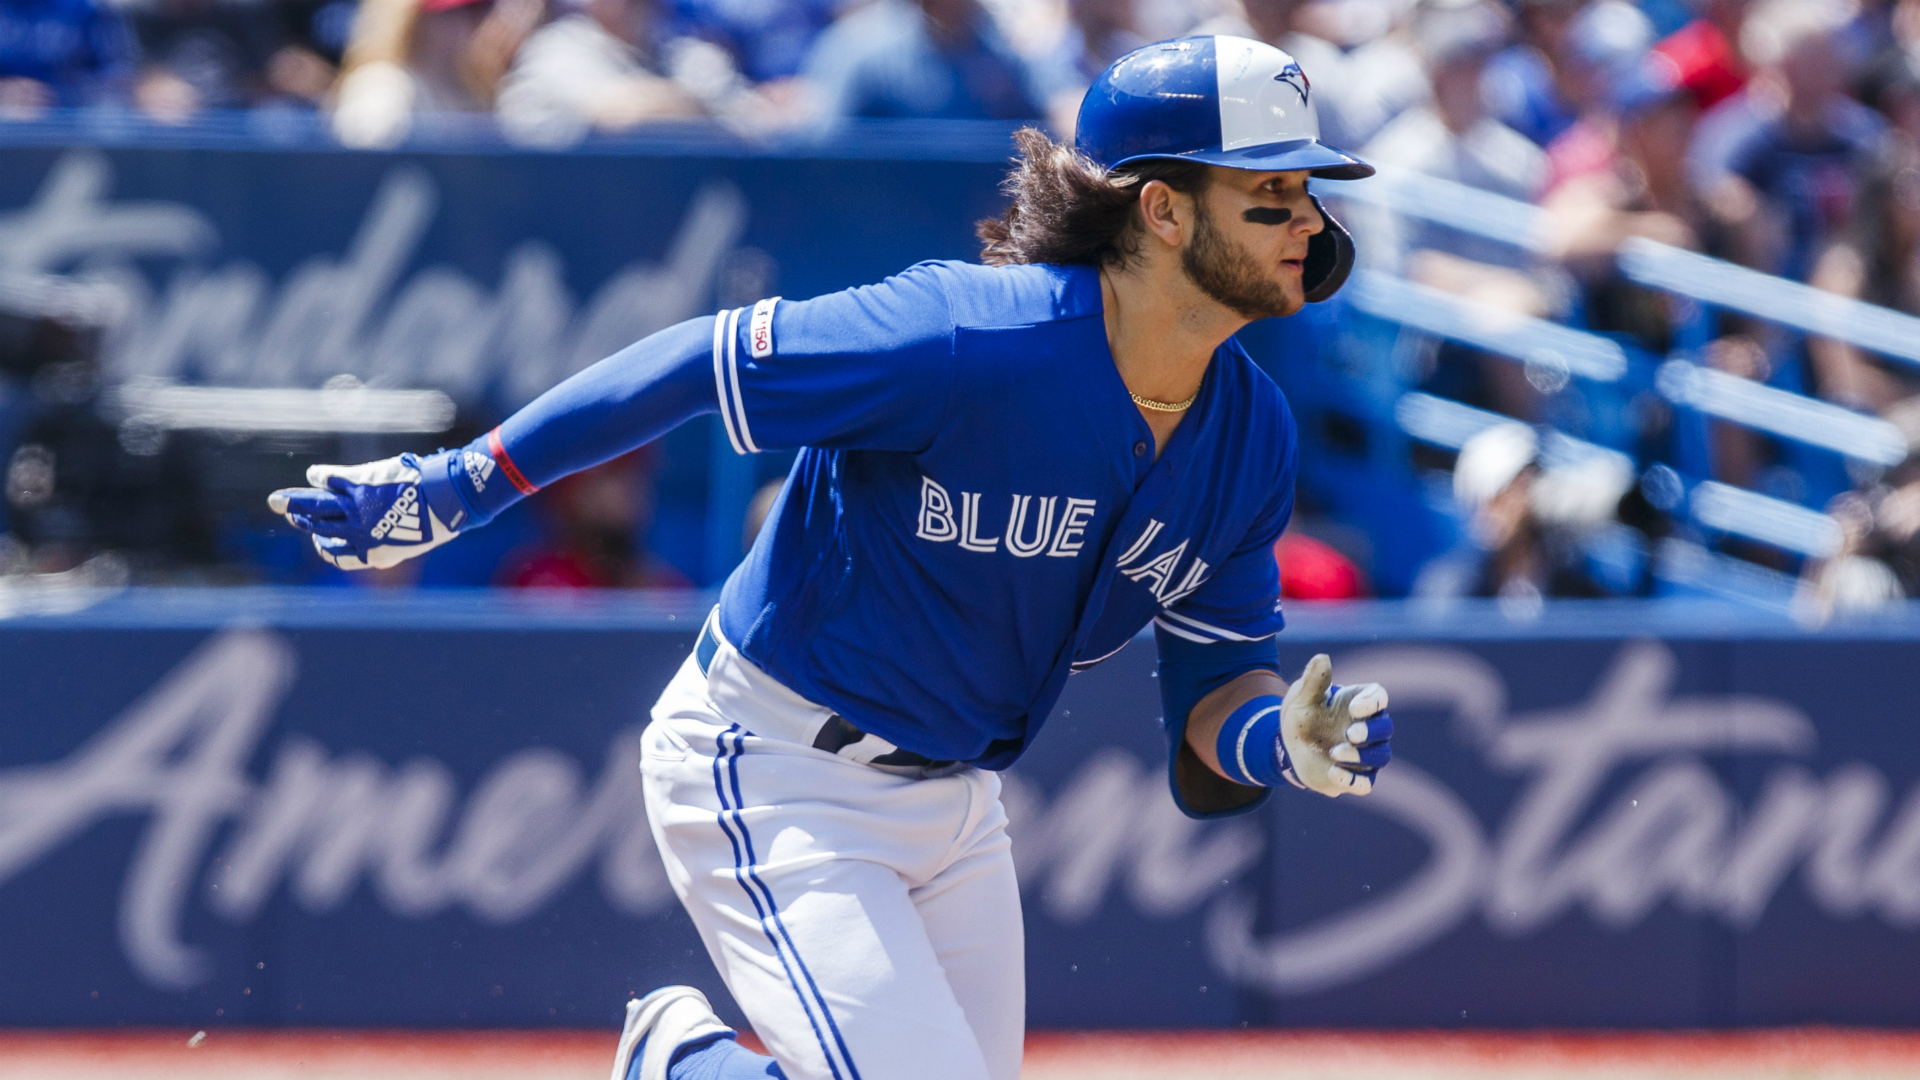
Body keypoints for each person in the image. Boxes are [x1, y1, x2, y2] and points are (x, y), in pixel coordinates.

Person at [268, 36, 1396, 1080]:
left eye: (1304, 197)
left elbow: (1214, 695)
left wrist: (1278, 736)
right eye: (1272, 197)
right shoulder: (969, 336)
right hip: (774, 761)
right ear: (1160, 210)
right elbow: (693, 365)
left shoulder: (1252, 433)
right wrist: (462, 484)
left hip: (958, 806)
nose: (1309, 225)